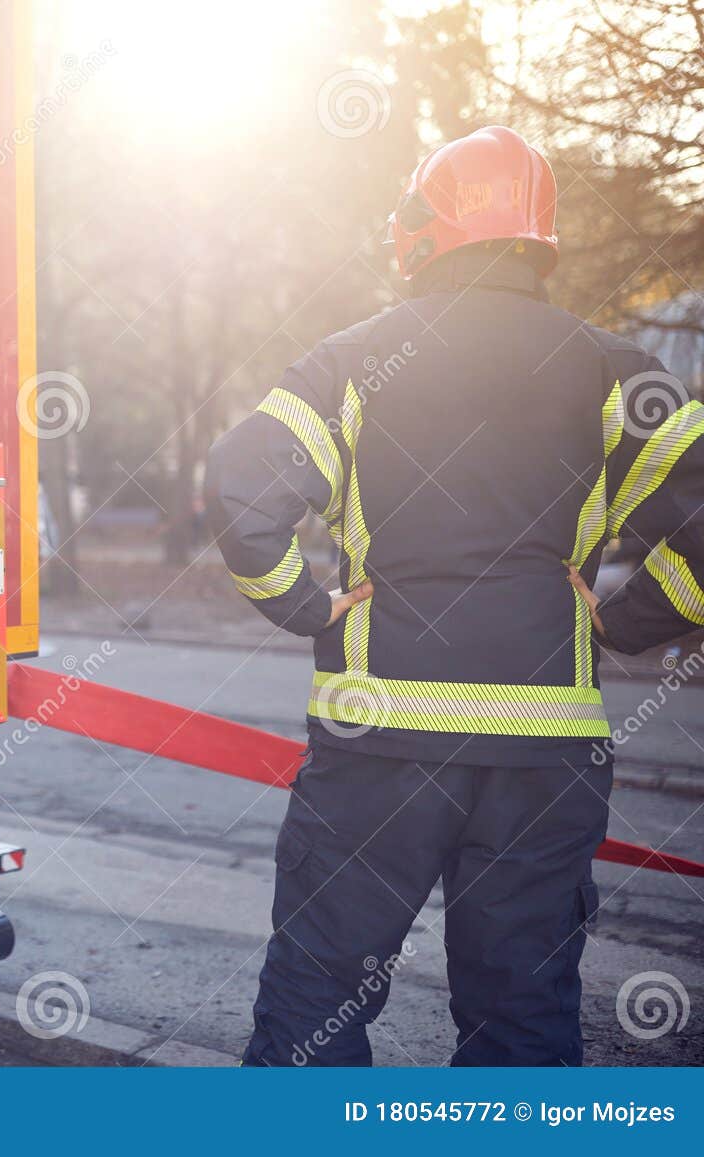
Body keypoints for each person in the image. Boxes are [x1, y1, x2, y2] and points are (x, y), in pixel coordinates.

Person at [205, 125, 704, 1066]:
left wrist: (304, 605)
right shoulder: (617, 372)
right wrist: (627, 620)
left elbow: (241, 491)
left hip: (377, 742)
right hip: (544, 752)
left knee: (316, 1003)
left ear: (424, 231)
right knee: (522, 1021)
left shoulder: (350, 362)